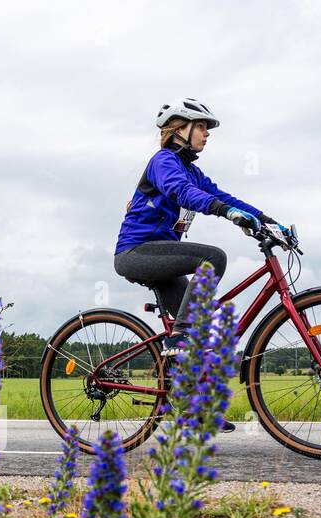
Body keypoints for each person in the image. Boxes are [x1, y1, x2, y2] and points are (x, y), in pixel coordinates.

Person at [114, 99, 286, 431]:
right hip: (137, 252)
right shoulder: (163, 162)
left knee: (198, 329)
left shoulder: (191, 170)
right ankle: (178, 341)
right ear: (180, 128)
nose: (207, 135)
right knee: (213, 258)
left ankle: (192, 406)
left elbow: (225, 196)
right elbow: (181, 193)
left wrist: (266, 220)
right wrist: (226, 213)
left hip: (161, 257)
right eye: (202, 127)